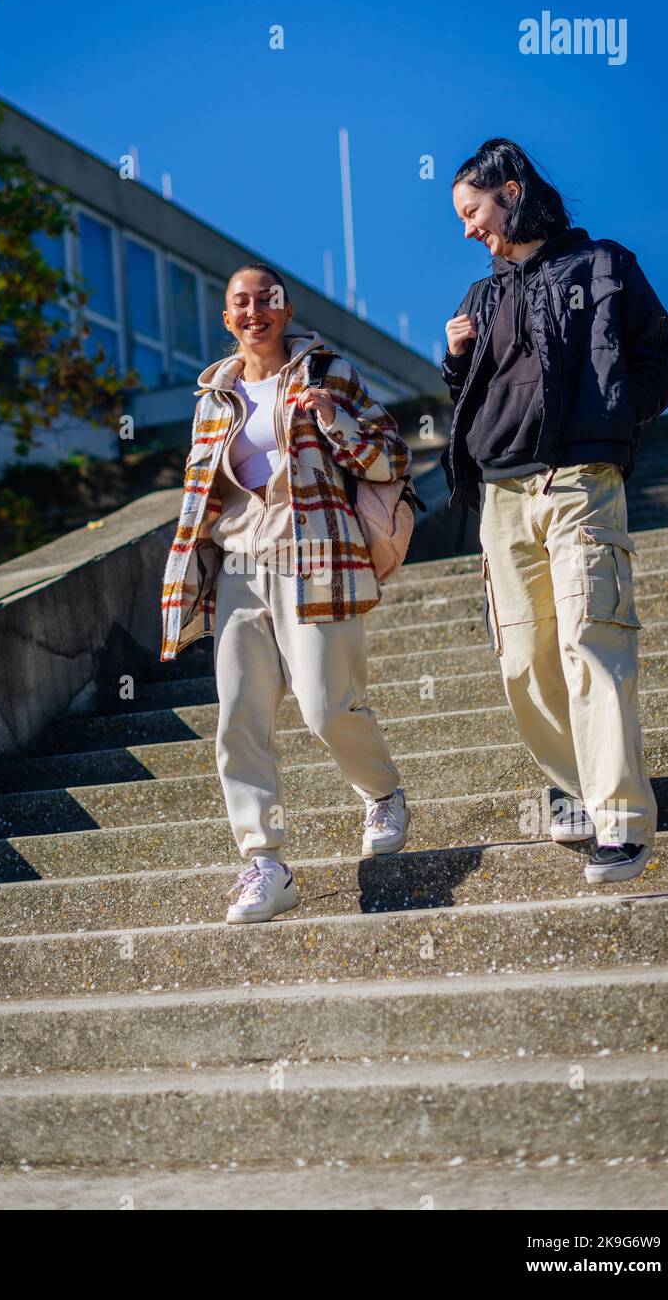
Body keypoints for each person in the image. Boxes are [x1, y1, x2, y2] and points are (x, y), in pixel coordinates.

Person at [442, 138, 668, 884]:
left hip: (579, 482)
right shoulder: (480, 296)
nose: (466, 230)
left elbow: (663, 360)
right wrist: (456, 363)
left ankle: (619, 819)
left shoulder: (603, 265)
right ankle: (573, 784)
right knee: (522, 658)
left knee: (592, 640)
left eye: (472, 210)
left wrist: (609, 418)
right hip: (501, 493)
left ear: (510, 192)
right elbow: (475, 400)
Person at [161, 263, 413, 923]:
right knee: (238, 719)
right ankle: (264, 861)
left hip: (315, 554)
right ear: (226, 319)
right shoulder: (211, 399)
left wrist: (334, 421)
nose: (253, 311)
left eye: (265, 299)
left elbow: (390, 460)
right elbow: (200, 500)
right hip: (240, 568)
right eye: (239, 302)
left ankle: (381, 792)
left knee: (326, 707)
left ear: (285, 307)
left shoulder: (329, 373)